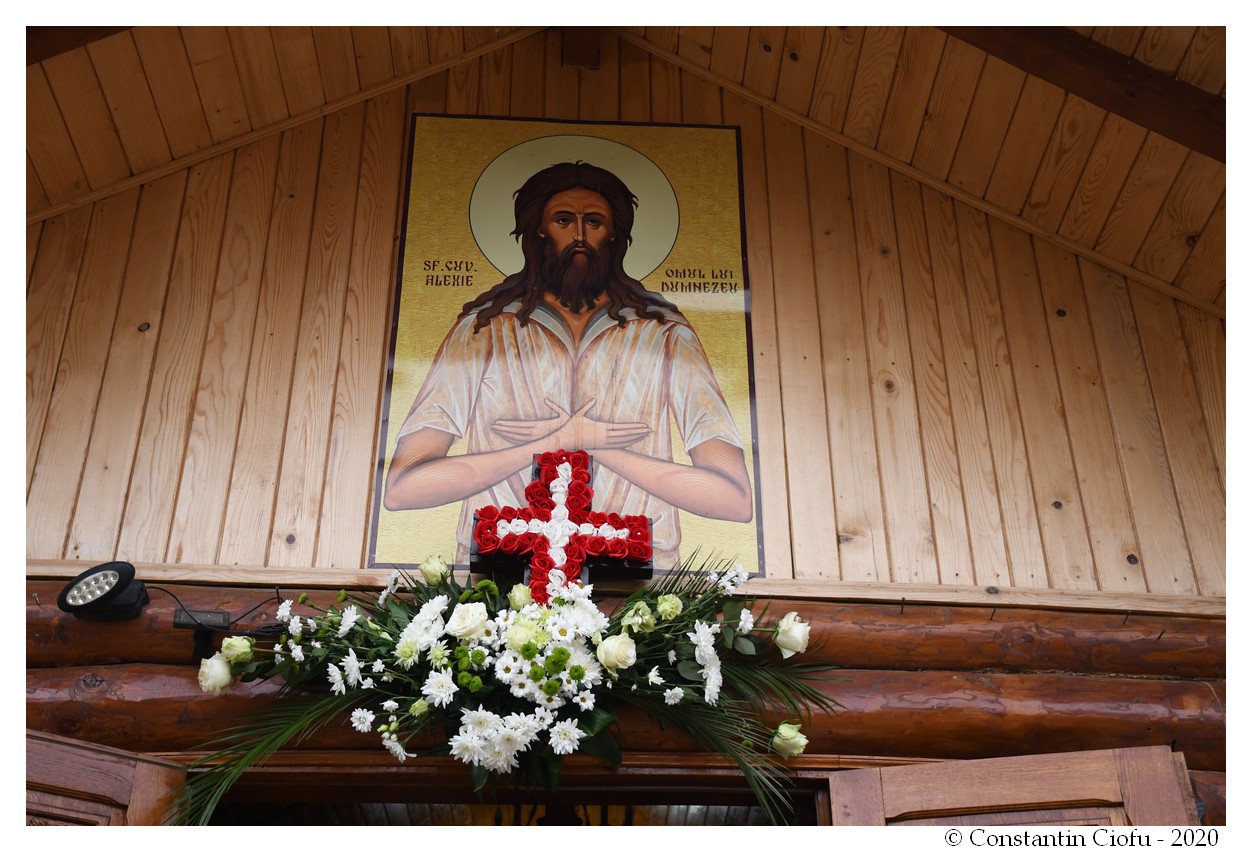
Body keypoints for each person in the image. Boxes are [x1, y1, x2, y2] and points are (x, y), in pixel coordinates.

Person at [384, 161, 752, 567]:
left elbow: (732, 498)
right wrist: (548, 444)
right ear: (539, 230)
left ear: (614, 234)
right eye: (563, 220)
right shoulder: (486, 329)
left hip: (639, 575)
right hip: (497, 573)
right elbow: (404, 488)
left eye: (593, 221)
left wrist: (590, 443)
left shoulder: (664, 334)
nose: (579, 235)